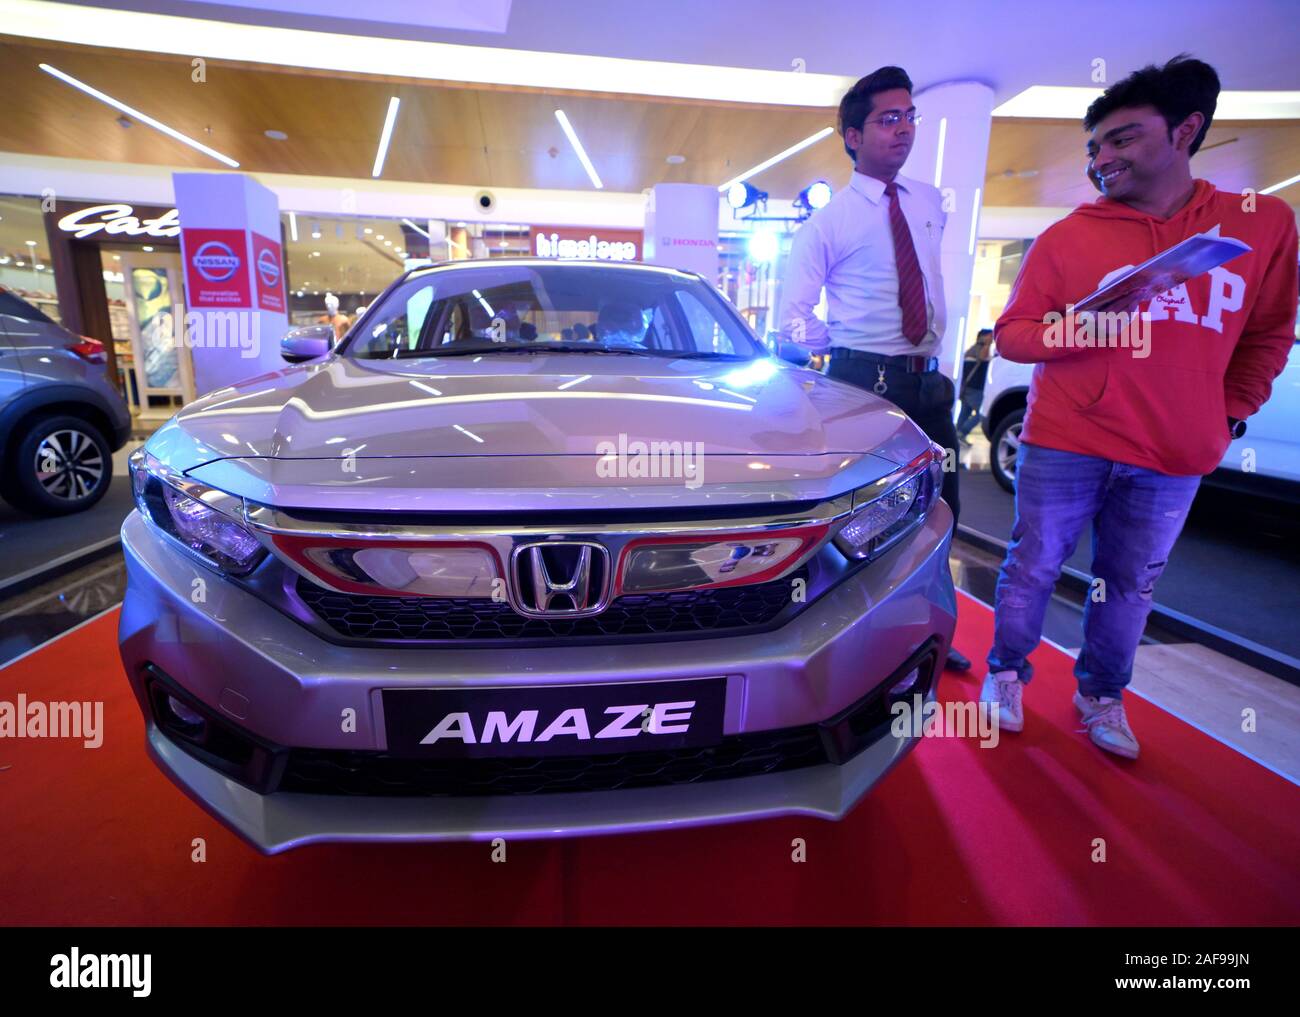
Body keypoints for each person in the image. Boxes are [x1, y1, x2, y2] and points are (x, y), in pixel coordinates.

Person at [981, 55, 1298, 758]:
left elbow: (1270, 331)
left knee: (1128, 585)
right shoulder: (1070, 236)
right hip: (1066, 437)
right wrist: (1077, 330)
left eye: (1122, 138)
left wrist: (1230, 414)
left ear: (1185, 131)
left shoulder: (1261, 225)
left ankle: (1100, 695)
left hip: (1173, 452)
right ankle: (1005, 672)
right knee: (1033, 563)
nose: (1103, 158)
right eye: (1095, 146)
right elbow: (1013, 334)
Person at [779, 65, 971, 673]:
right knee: (865, 519)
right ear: (852, 134)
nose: (905, 129)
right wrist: (842, 350)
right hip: (865, 382)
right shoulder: (828, 221)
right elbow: (793, 315)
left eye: (910, 116)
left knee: (943, 508)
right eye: (889, 119)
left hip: (929, 379)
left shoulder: (930, 202)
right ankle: (859, 643)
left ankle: (933, 628)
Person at [956, 328, 994, 442]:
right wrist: (987, 345)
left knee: (965, 411)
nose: (992, 338)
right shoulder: (979, 349)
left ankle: (957, 436)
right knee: (980, 413)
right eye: (990, 336)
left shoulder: (972, 349)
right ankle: (962, 432)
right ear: (982, 337)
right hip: (974, 388)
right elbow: (982, 357)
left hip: (968, 386)